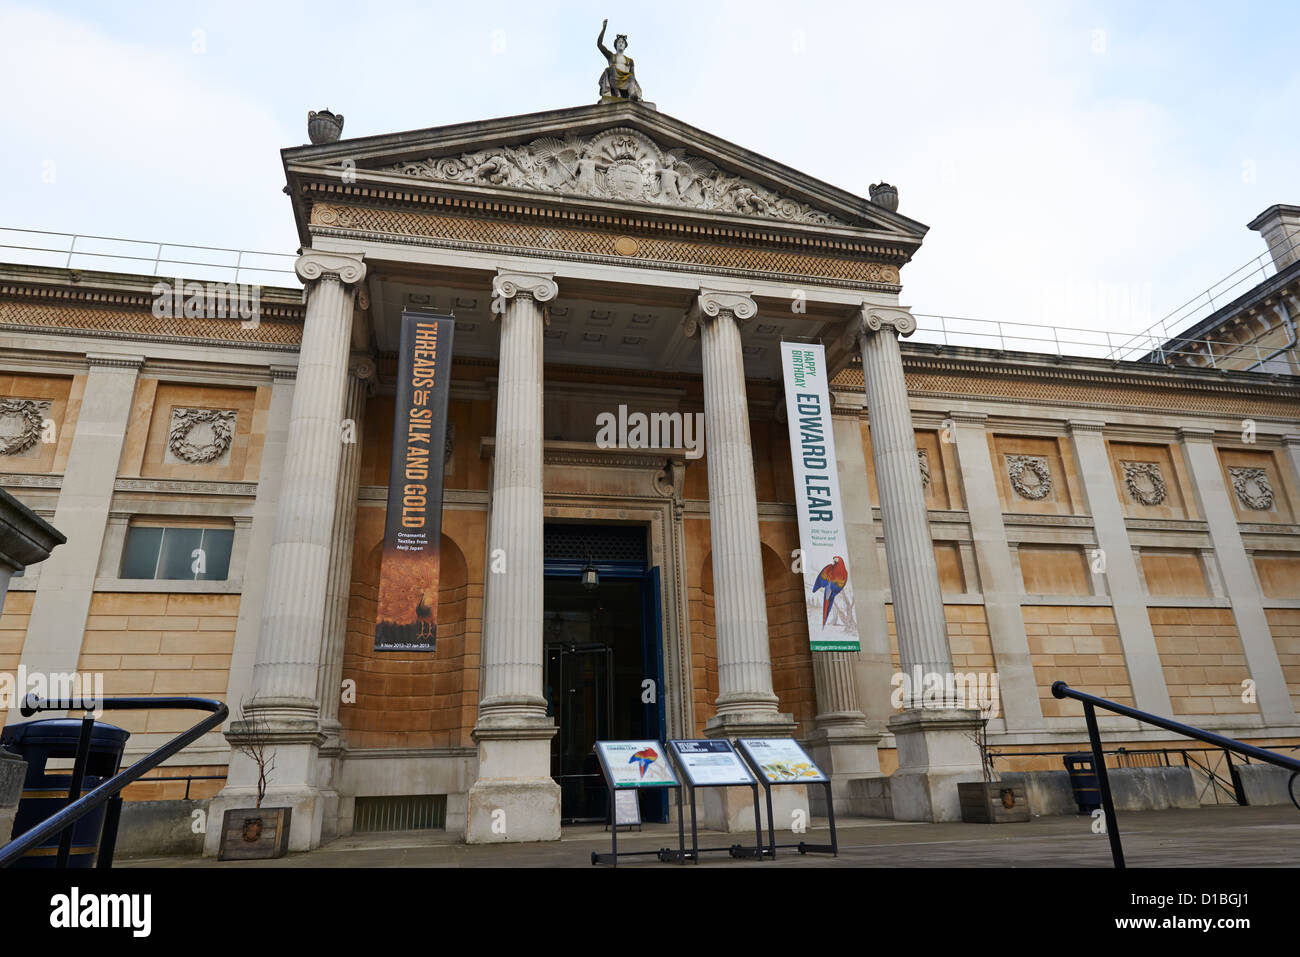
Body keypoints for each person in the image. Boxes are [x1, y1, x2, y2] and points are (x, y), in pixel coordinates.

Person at [597, 20, 642, 101]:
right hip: (614, 79)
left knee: (631, 76)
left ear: (625, 46)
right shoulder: (611, 56)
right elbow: (599, 45)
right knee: (612, 68)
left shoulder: (629, 60)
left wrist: (635, 88)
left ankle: (631, 94)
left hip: (626, 80)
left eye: (622, 42)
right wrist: (604, 28)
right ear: (616, 45)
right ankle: (617, 94)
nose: (621, 43)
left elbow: (633, 76)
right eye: (619, 42)